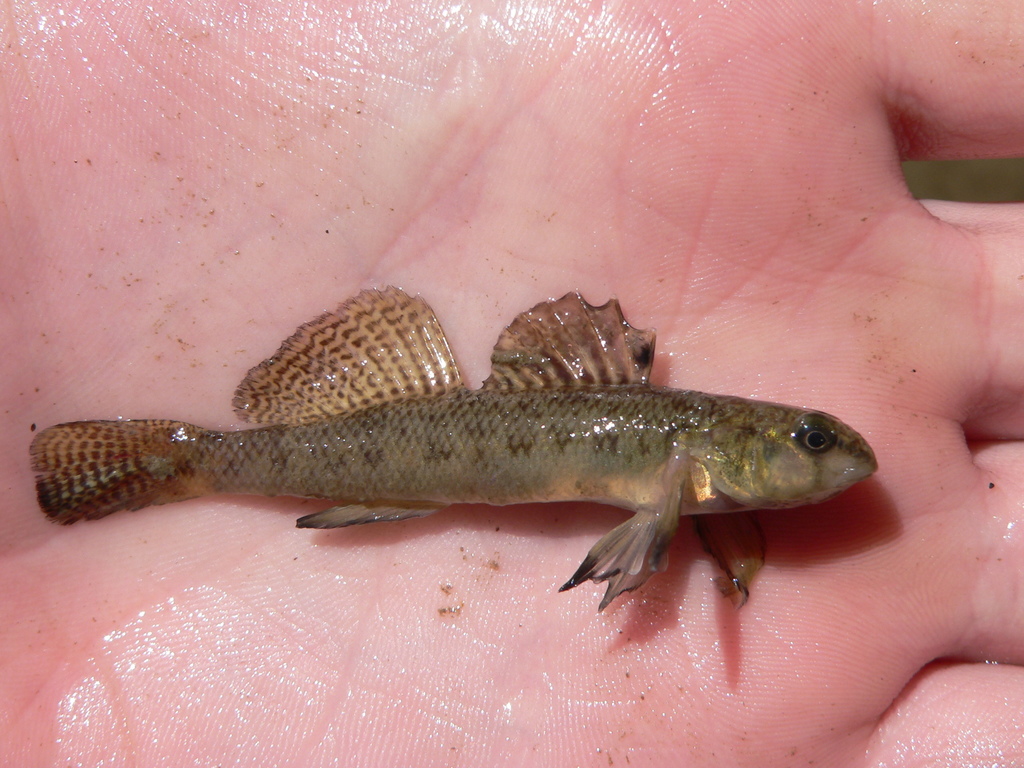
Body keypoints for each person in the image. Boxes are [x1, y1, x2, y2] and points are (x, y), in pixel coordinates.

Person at [2, 0, 1021, 764]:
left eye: (813, 440)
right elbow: (659, 526)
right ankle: (173, 466)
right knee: (254, 451)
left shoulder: (688, 466)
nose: (834, 458)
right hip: (391, 440)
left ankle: (183, 467)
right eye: (806, 438)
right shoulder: (681, 465)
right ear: (737, 440)